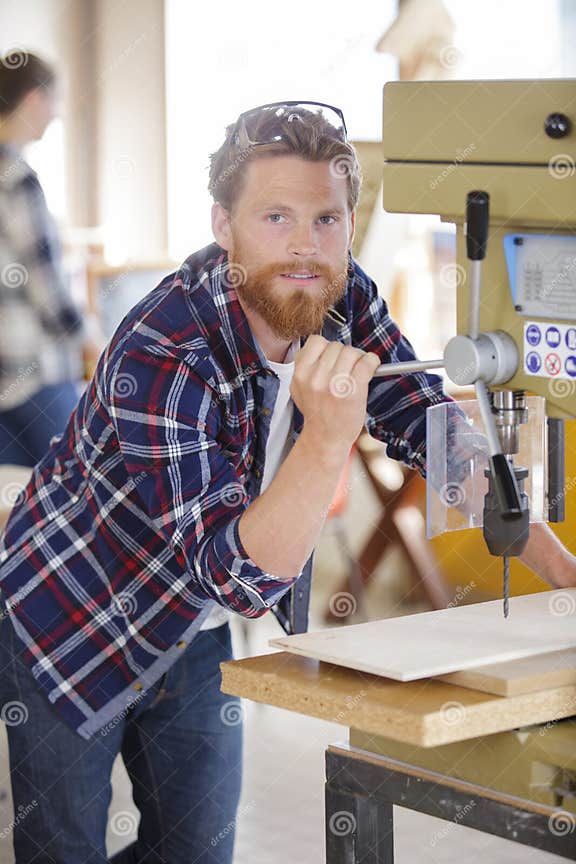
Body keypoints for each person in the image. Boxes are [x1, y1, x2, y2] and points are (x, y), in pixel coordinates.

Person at [0, 100, 574, 863]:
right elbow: (237, 576)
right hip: (68, 615)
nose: (305, 246)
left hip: (189, 624)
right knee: (62, 852)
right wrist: (329, 436)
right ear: (222, 225)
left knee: (196, 853)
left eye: (327, 220)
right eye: (275, 217)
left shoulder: (342, 293)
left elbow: (429, 425)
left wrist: (562, 573)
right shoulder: (163, 349)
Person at [0, 51, 94, 467]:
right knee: (79, 488)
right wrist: (93, 342)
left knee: (16, 501)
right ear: (35, 98)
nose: (55, 115)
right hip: (35, 372)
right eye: (54, 102)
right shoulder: (18, 179)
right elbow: (47, 288)